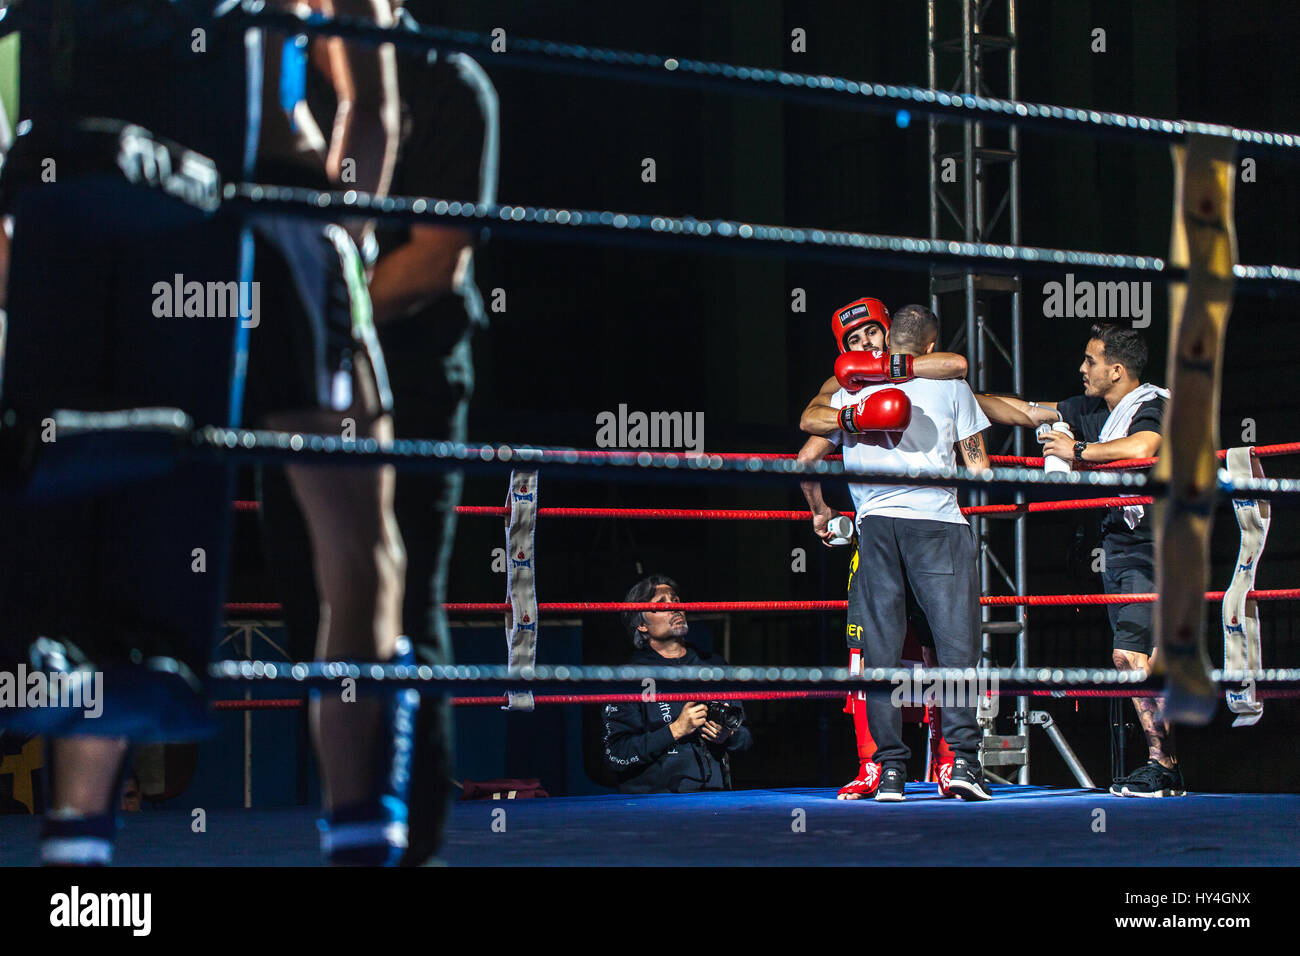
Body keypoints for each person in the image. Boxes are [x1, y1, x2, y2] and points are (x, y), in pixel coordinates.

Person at [258, 0, 499, 865]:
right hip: (293, 376)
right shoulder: (273, 72)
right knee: (307, 598)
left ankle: (413, 838)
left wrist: (325, 304)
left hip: (416, 374)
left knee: (403, 603)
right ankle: (352, 821)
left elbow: (439, 254)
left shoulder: (448, 85)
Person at [248, 0, 412, 865]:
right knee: (359, 554)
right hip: (287, 209)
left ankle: (76, 854)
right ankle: (359, 829)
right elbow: (376, 104)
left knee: (109, 520)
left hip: (121, 217)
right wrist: (338, 236)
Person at [975, 324, 1179, 797]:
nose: (1081, 369)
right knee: (1140, 657)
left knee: (1132, 657)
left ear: (1116, 370)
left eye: (1090, 361)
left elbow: (1145, 448)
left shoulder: (1154, 404)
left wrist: (1079, 451)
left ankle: (1162, 764)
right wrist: (955, 390)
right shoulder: (1092, 407)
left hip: (1158, 544)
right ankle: (1164, 767)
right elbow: (1025, 412)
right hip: (1122, 542)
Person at [800, 303, 993, 801]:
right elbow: (979, 468)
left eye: (872, 333)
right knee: (926, 650)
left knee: (943, 651)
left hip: (903, 526)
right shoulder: (850, 391)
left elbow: (805, 458)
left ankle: (937, 765)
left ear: (890, 335)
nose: (865, 343)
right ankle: (909, 767)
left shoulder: (868, 388)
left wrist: (820, 508)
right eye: (857, 337)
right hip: (924, 527)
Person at [603, 576, 753, 793]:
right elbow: (616, 755)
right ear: (642, 625)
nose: (674, 607)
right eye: (661, 604)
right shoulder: (629, 676)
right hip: (655, 808)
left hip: (714, 801)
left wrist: (728, 735)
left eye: (676, 600)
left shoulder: (713, 665)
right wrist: (675, 730)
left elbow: (746, 739)